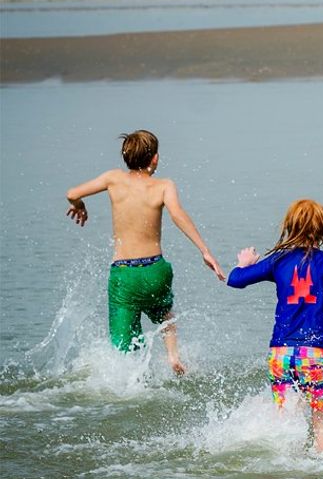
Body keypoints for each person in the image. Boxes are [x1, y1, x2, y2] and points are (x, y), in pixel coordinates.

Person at [65, 130, 225, 373]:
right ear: (155, 158)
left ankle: (129, 377)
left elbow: (71, 193)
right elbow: (177, 215)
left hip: (124, 275)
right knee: (165, 314)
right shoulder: (163, 186)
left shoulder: (113, 178)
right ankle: (172, 357)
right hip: (155, 271)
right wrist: (205, 251)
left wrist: (80, 206)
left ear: (125, 157)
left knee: (123, 347)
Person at [226, 199, 323, 452]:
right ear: (322, 230)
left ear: (290, 226)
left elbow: (235, 280)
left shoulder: (278, 261)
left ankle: (286, 464)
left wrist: (245, 263)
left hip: (281, 354)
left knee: (286, 417)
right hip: (315, 353)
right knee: (322, 418)